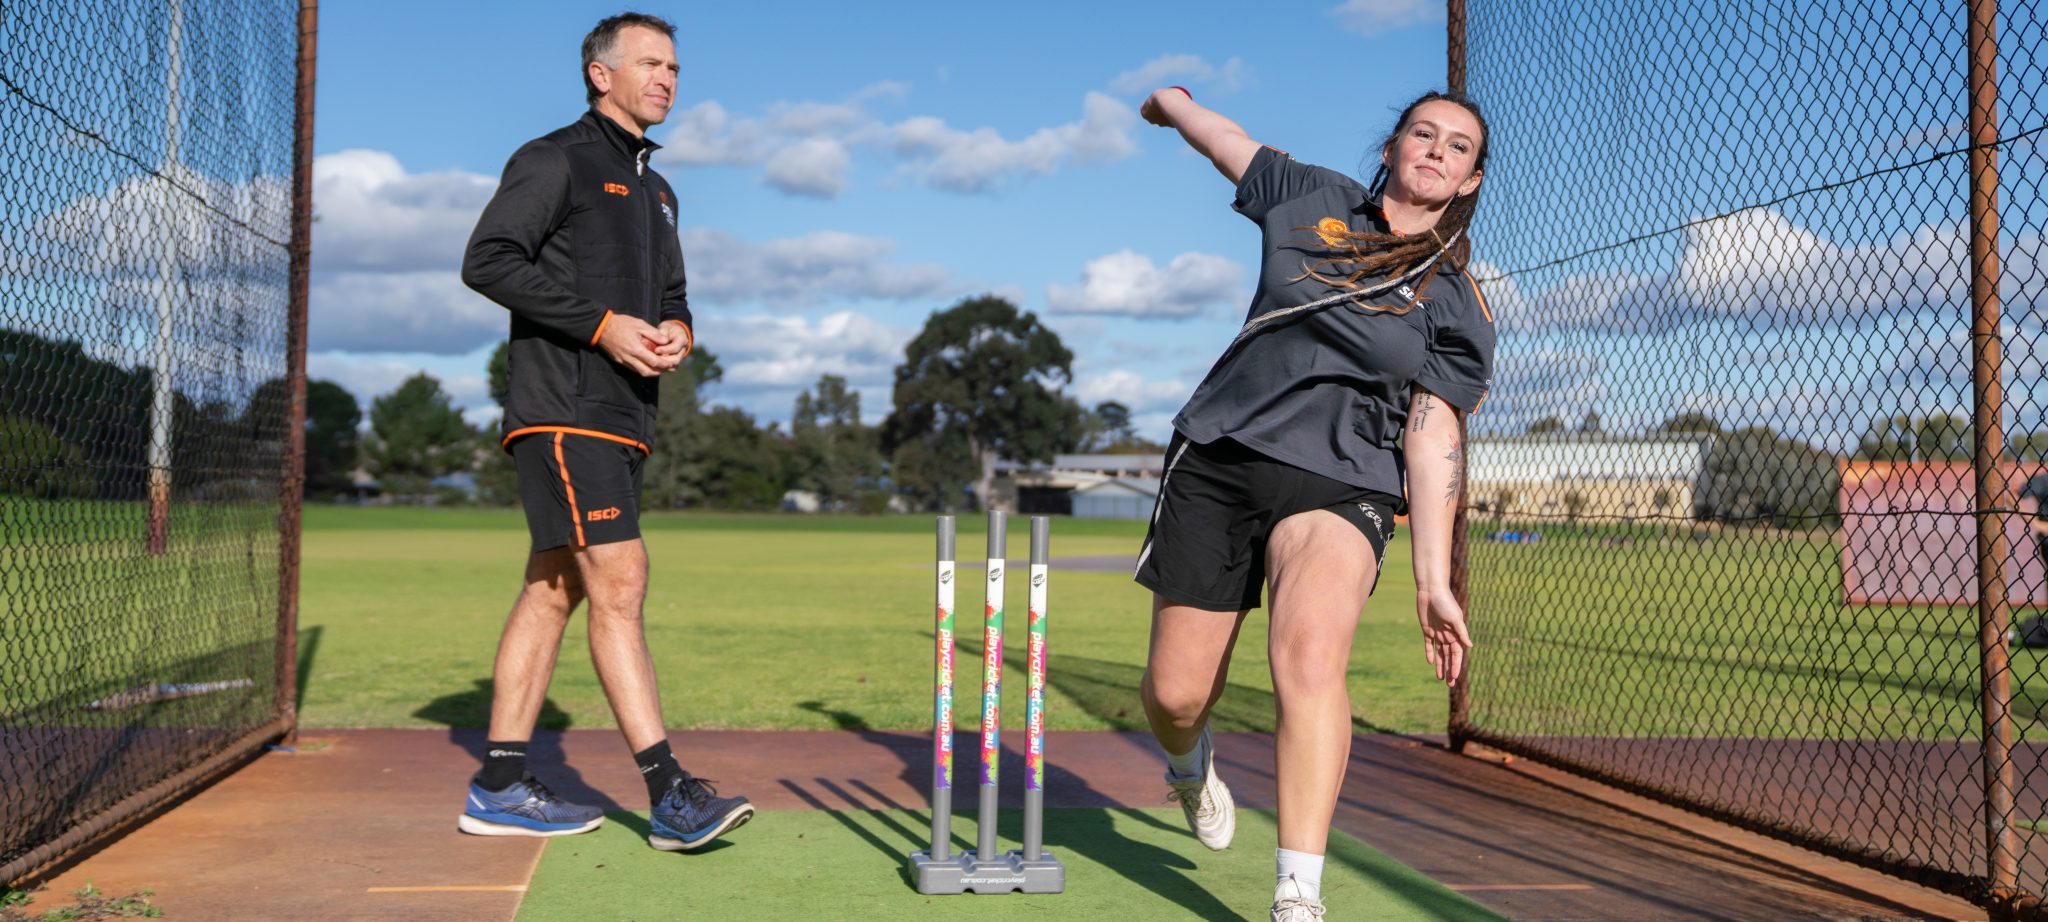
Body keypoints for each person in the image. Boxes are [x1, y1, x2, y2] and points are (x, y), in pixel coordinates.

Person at [1131, 85, 1492, 921]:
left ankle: (1299, 893)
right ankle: (1189, 765)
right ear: (1393, 148)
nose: (1437, 151)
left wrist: (1434, 579)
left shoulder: (1455, 302)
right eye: (1423, 134)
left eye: (1458, 147)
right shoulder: (1311, 198)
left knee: (1308, 658)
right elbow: (1226, 138)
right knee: (1177, 697)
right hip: (1221, 456)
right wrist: (1171, 104)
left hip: (1345, 479)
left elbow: (1434, 440)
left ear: (1470, 180)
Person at [454, 12, 752, 851]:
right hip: (564, 410)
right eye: (650, 63)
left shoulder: (659, 189)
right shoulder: (555, 158)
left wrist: (677, 330)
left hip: (624, 420)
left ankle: (501, 785)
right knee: (620, 582)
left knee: (556, 589)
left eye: (675, 68)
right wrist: (601, 326)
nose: (666, 78)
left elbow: (674, 297)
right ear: (600, 73)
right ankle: (671, 794)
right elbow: (489, 259)